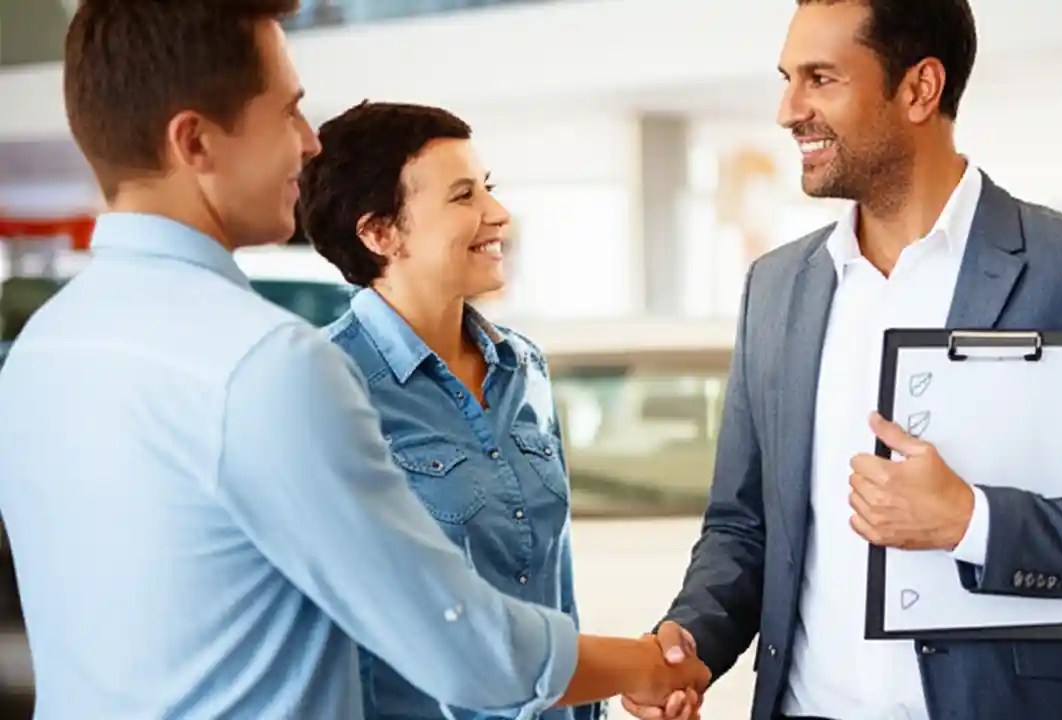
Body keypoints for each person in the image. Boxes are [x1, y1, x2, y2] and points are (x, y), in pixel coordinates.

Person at [0, 1, 708, 718]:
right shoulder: (268, 365)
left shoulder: (41, 352)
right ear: (197, 144)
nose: (309, 145)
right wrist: (645, 665)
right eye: (289, 113)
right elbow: (461, 645)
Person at [624, 1, 1062, 719]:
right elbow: (743, 527)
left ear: (919, 89)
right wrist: (692, 643)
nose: (788, 110)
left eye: (821, 78)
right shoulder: (777, 286)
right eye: (787, 78)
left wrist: (972, 520)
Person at [296, 101, 607, 720]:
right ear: (380, 232)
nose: (498, 214)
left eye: (487, 189)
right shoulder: (327, 386)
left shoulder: (524, 367)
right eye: (463, 196)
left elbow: (557, 586)